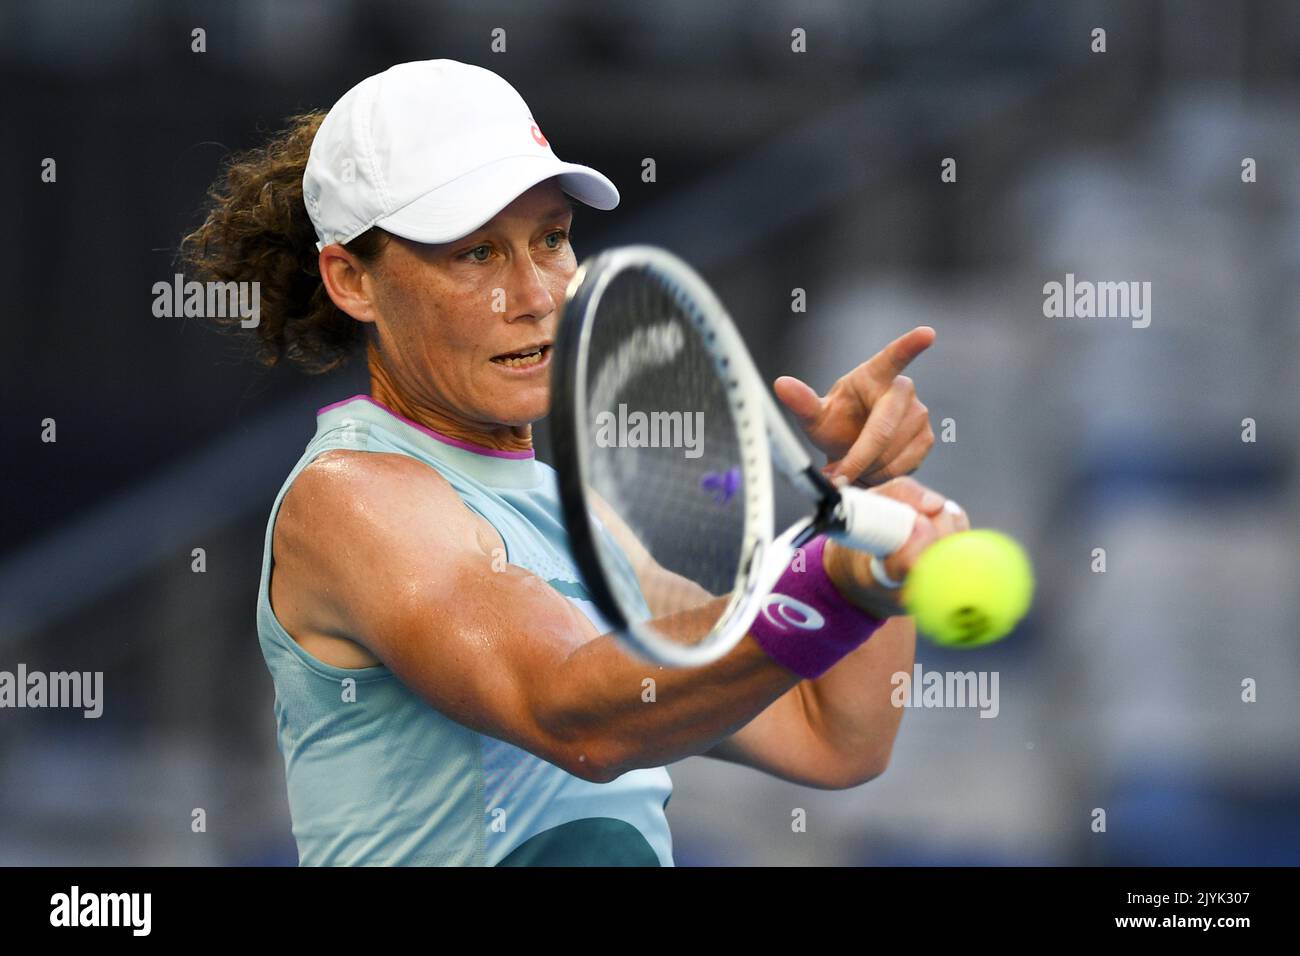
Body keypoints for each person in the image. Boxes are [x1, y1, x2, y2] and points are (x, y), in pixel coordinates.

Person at [181, 59, 967, 866]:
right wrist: (827, 580)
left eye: (550, 239)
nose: (534, 295)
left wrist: (870, 512)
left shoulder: (580, 517)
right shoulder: (351, 499)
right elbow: (573, 713)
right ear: (353, 281)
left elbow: (833, 734)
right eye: (476, 254)